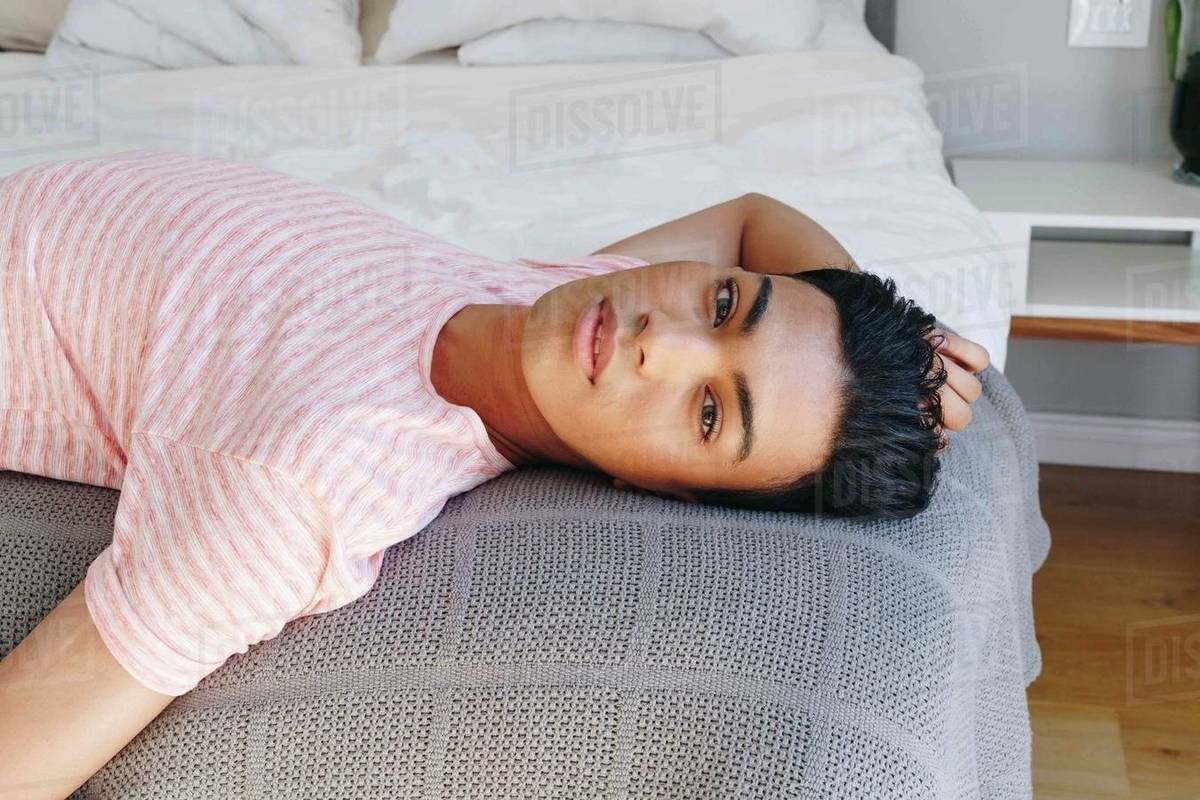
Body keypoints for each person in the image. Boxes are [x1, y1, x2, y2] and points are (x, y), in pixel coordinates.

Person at [0, 150, 987, 798]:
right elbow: (754, 220)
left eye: (708, 410)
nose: (663, 342)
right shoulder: (550, 304)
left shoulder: (297, 486)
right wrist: (906, 357)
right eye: (723, 306)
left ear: (672, 490)